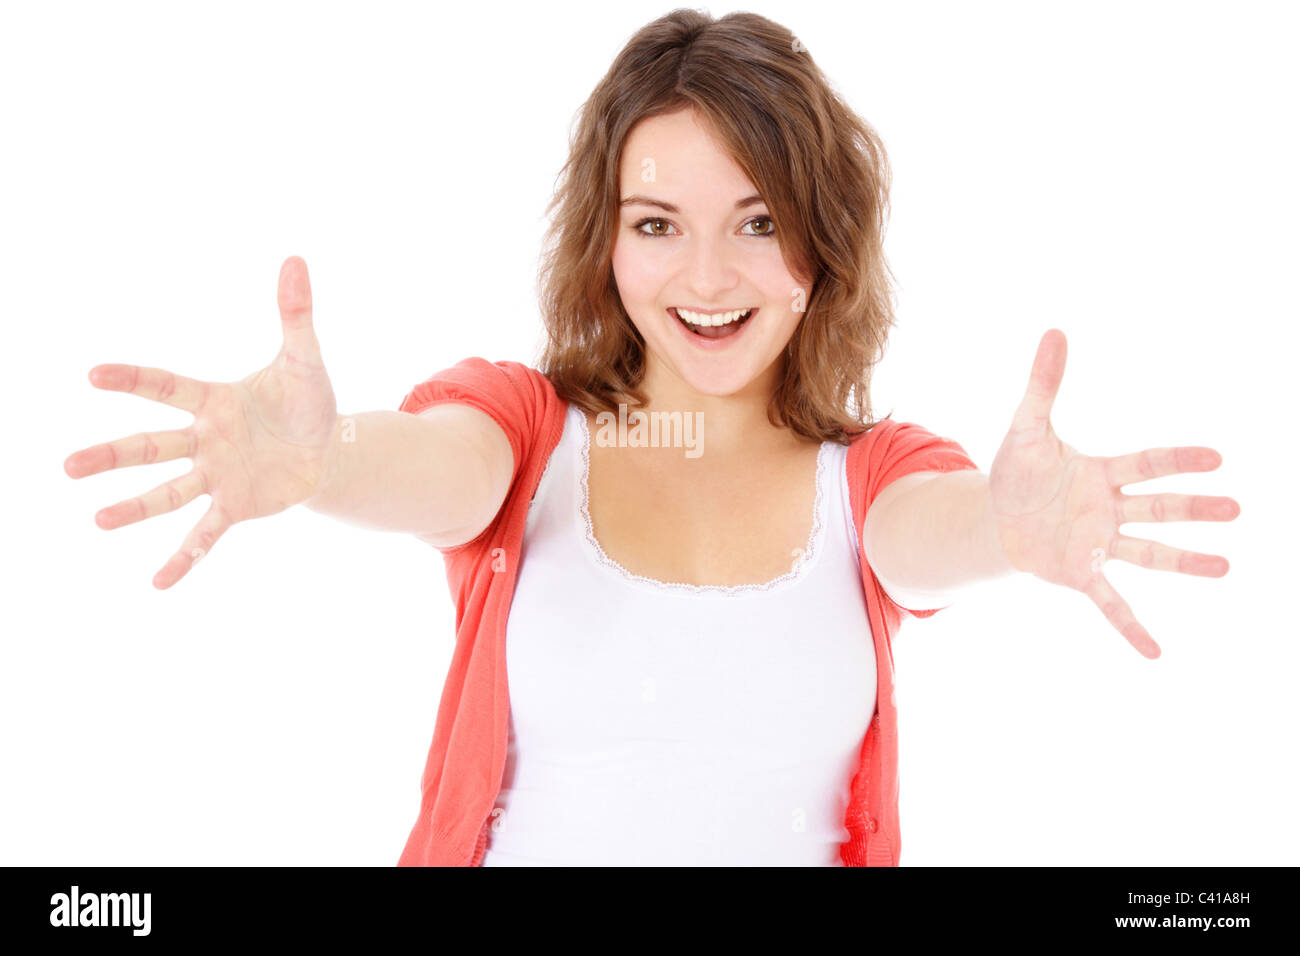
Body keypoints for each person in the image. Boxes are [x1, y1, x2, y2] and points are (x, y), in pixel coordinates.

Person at [62, 10, 1239, 866]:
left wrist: (1008, 526)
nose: (707, 276)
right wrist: (324, 463)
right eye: (657, 223)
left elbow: (932, 536)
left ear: (821, 246)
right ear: (606, 242)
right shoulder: (523, 426)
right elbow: (443, 473)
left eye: (759, 220)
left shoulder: (869, 474)